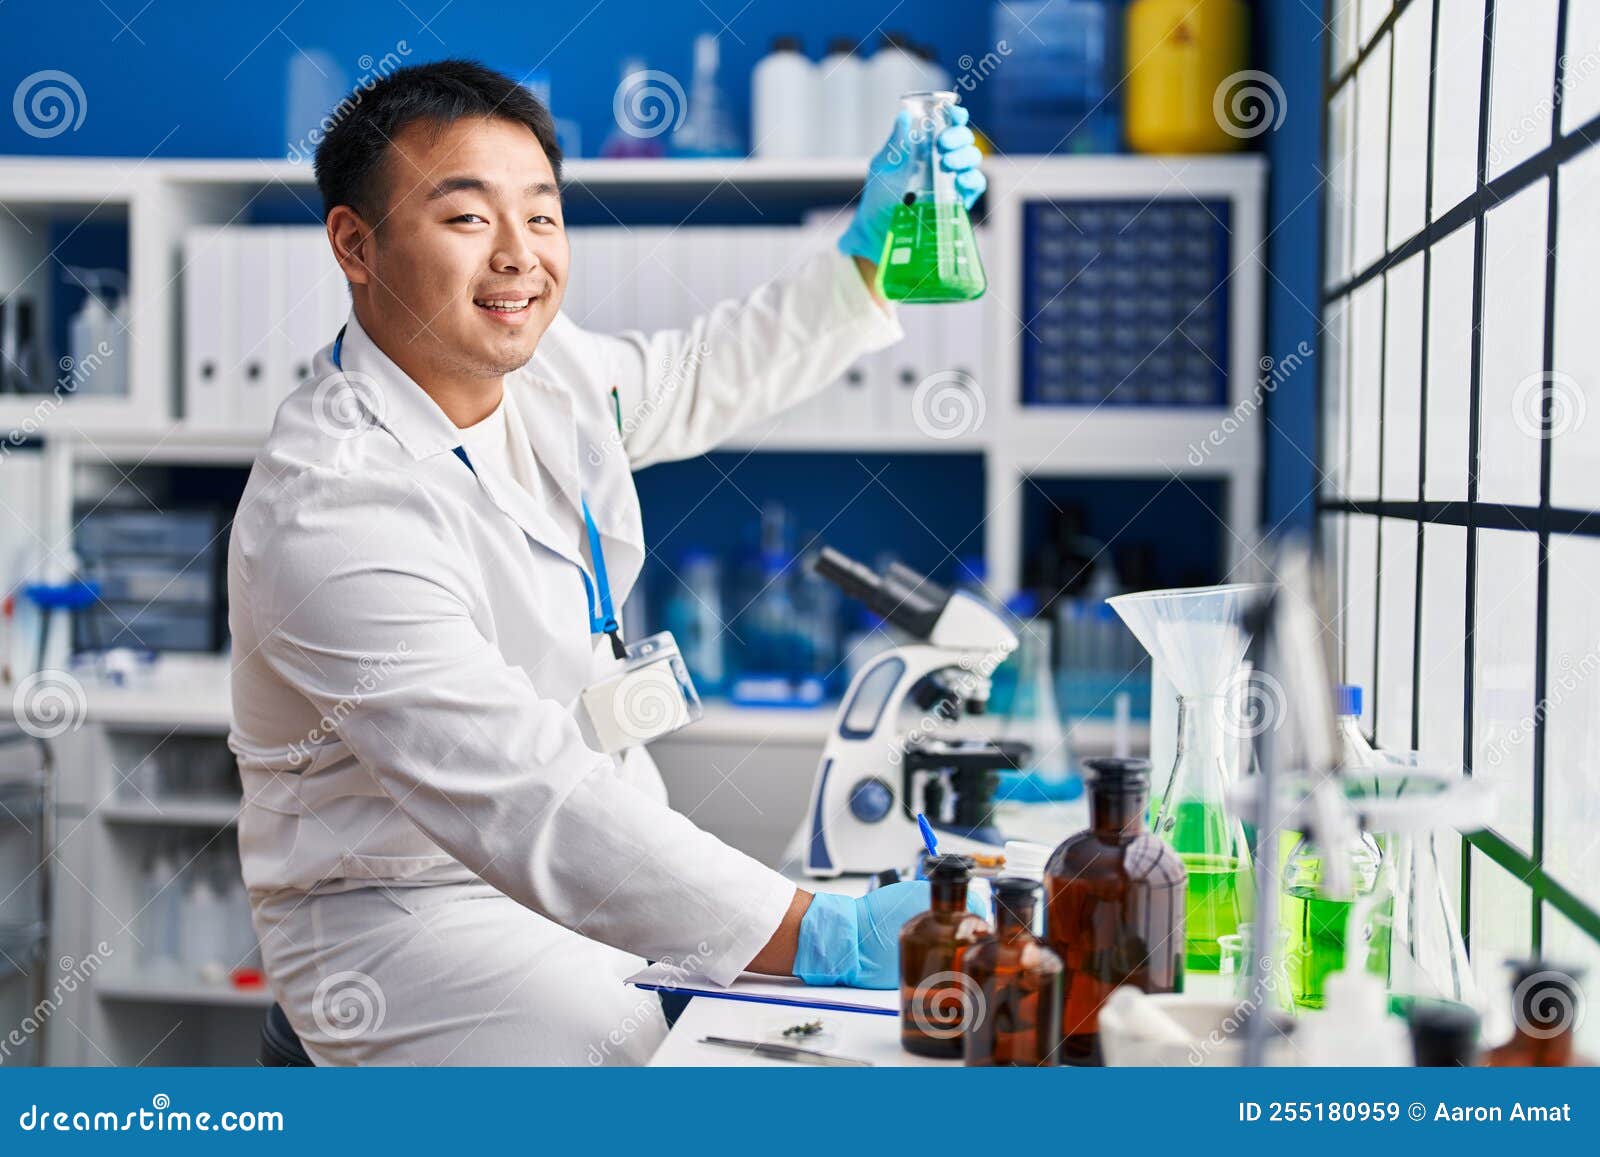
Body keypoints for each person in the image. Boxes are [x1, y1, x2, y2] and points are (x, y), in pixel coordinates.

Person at [227, 59, 986, 1065]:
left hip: (581, 865)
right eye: (466, 220)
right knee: (645, 1058)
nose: (518, 258)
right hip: (406, 921)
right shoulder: (329, 507)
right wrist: (820, 931)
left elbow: (690, 377)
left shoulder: (546, 371)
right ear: (355, 244)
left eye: (541, 218)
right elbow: (514, 787)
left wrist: (866, 260)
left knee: (743, 1040)